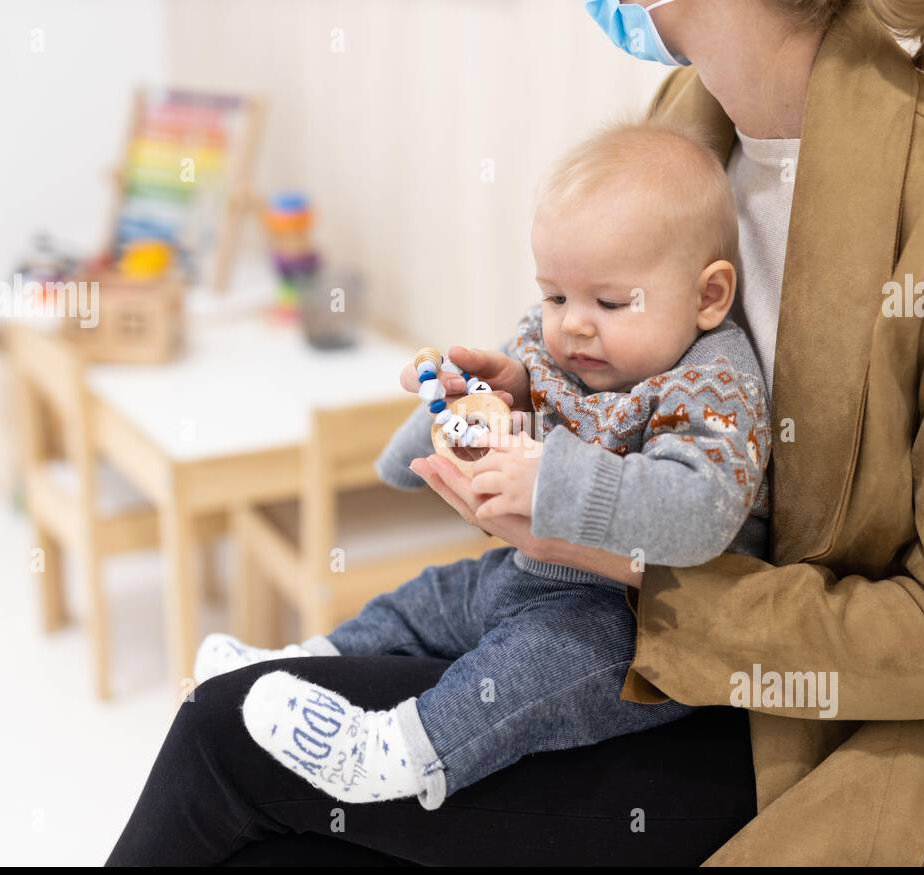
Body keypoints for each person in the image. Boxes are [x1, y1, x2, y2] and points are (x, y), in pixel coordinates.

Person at [107, 0, 924, 867]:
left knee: (224, 735)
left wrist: (618, 547)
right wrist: (538, 396)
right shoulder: (688, 127)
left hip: (794, 727)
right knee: (273, 806)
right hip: (601, 623)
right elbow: (634, 378)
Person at [195, 118, 770, 813]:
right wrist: (455, 409)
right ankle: (301, 662)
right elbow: (423, 459)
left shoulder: (711, 381)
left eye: (611, 303)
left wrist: (546, 475)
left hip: (628, 615)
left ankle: (395, 753)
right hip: (520, 571)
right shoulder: (559, 346)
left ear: (708, 296)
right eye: (556, 295)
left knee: (526, 673)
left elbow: (697, 509)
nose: (574, 324)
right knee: (418, 602)